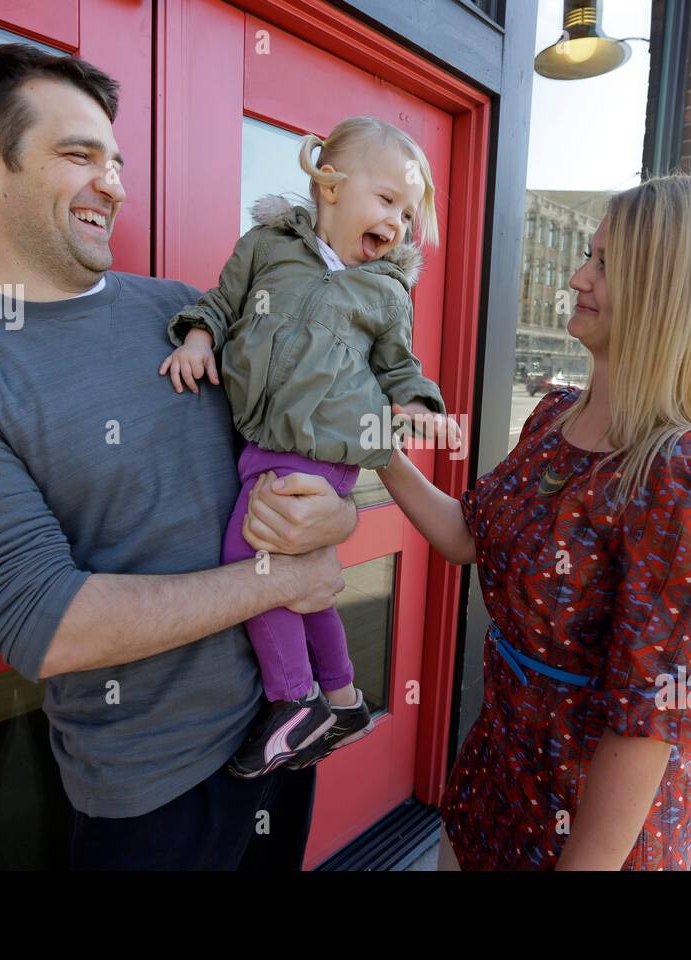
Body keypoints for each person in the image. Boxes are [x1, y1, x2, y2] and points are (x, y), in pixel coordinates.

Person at [0, 43, 356, 870]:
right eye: (78, 155)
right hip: (151, 788)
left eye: (117, 159)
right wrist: (283, 580)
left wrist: (332, 512)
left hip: (286, 730)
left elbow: (297, 453)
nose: (115, 184)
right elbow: (47, 624)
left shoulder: (182, 312)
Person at [378, 174, 691, 870]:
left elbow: (648, 726)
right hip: (491, 777)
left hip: (585, 826)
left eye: (607, 264)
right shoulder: (554, 416)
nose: (579, 277)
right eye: (589, 254)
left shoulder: (689, 474)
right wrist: (377, 448)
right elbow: (468, 534)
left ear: (670, 291)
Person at [161, 116, 457, 777]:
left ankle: (294, 700)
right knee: (303, 582)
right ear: (328, 183)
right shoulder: (268, 247)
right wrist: (199, 338)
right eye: (387, 202)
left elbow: (399, 365)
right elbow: (220, 303)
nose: (399, 225)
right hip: (261, 440)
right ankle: (345, 698)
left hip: (325, 448)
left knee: (251, 557)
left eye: (408, 215)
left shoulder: (385, 289)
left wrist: (415, 404)